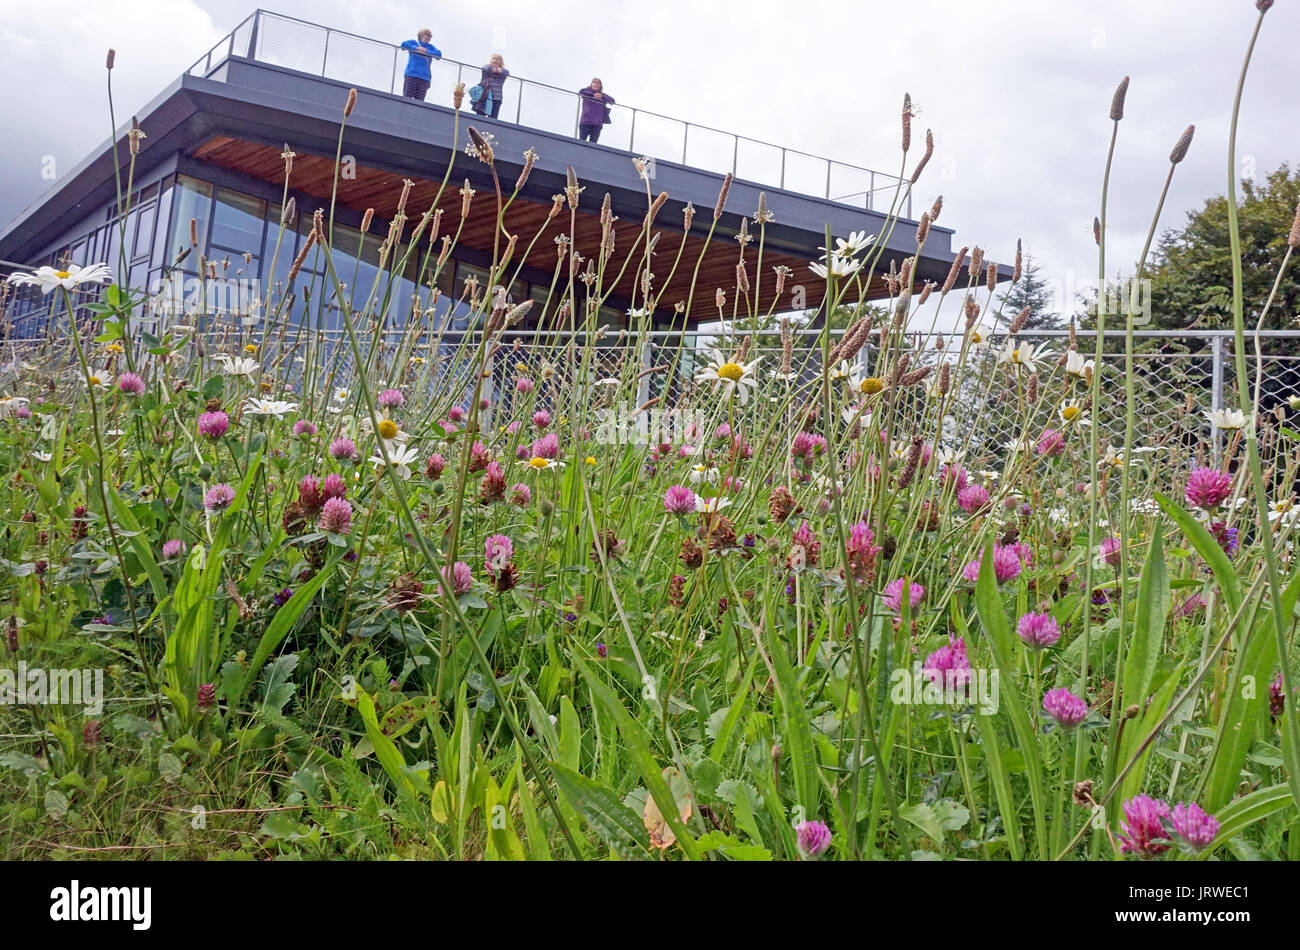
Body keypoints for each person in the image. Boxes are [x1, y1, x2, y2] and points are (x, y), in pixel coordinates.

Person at [400, 29, 442, 101]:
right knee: (407, 98)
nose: (429, 38)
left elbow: (439, 54)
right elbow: (403, 45)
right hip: (412, 75)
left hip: (424, 78)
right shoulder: (414, 43)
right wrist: (416, 48)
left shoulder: (430, 47)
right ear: (422, 35)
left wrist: (427, 52)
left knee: (419, 101)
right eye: (428, 35)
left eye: (431, 36)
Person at [473, 53, 509, 119]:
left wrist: (497, 70)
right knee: (480, 116)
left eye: (498, 59)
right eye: (494, 59)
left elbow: (506, 72)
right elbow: (487, 68)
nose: (495, 61)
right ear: (491, 60)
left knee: (493, 118)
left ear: (501, 61)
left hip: (496, 97)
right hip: (484, 95)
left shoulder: (504, 71)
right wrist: (496, 71)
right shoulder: (486, 66)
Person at [577, 78, 614, 143]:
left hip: (597, 124)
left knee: (593, 145)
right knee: (582, 142)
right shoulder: (586, 91)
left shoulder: (603, 95)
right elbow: (581, 92)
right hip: (586, 122)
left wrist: (601, 96)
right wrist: (593, 94)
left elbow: (612, 101)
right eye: (594, 82)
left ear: (600, 86)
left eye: (598, 83)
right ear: (591, 84)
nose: (596, 84)